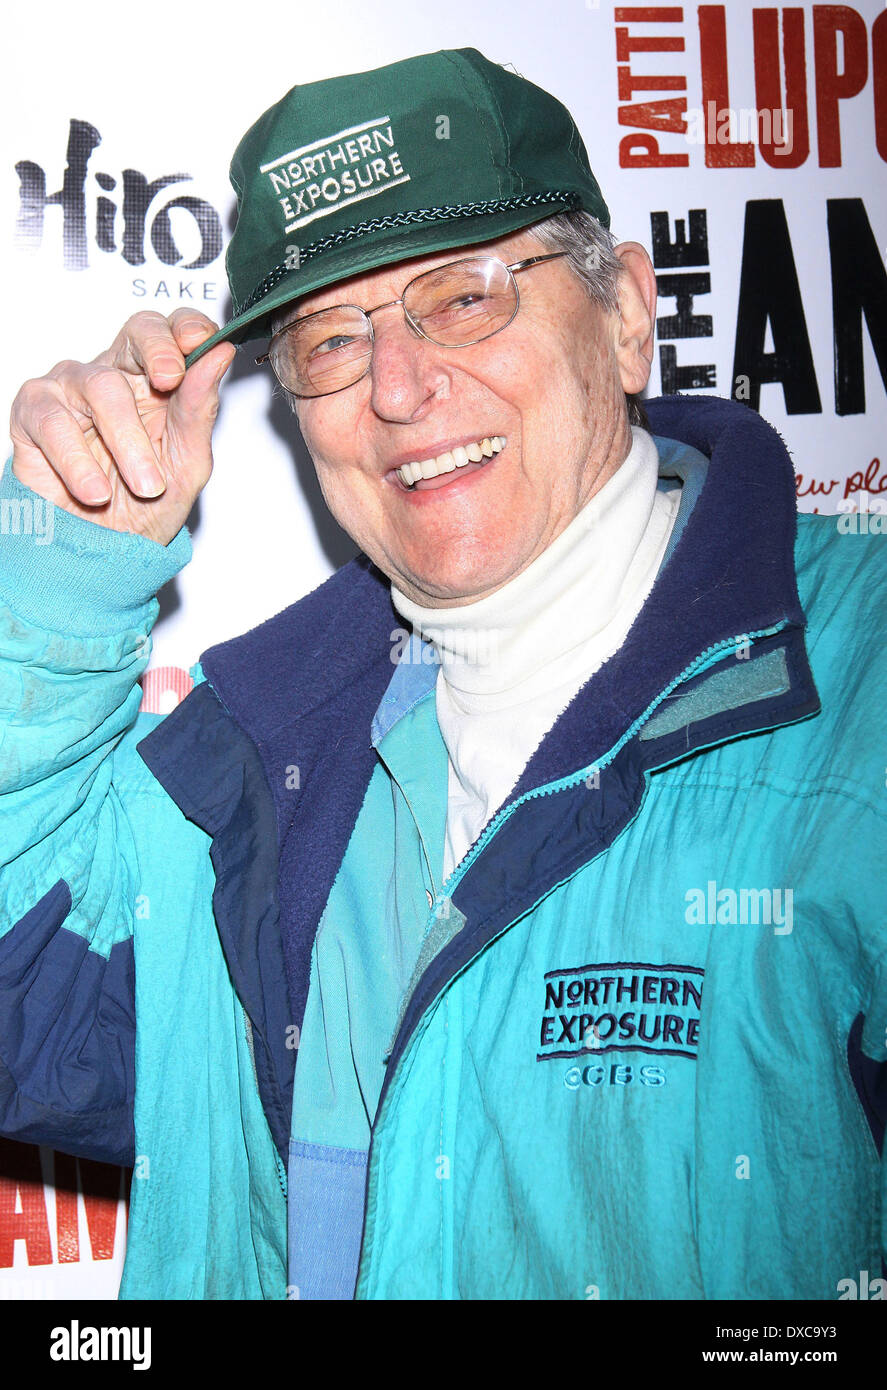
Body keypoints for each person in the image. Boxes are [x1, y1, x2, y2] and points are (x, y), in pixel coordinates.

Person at [1, 47, 885, 1302]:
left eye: (464, 296)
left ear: (627, 314)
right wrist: (65, 570)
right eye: (327, 341)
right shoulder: (252, 753)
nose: (402, 389)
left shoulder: (859, 686)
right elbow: (20, 1011)